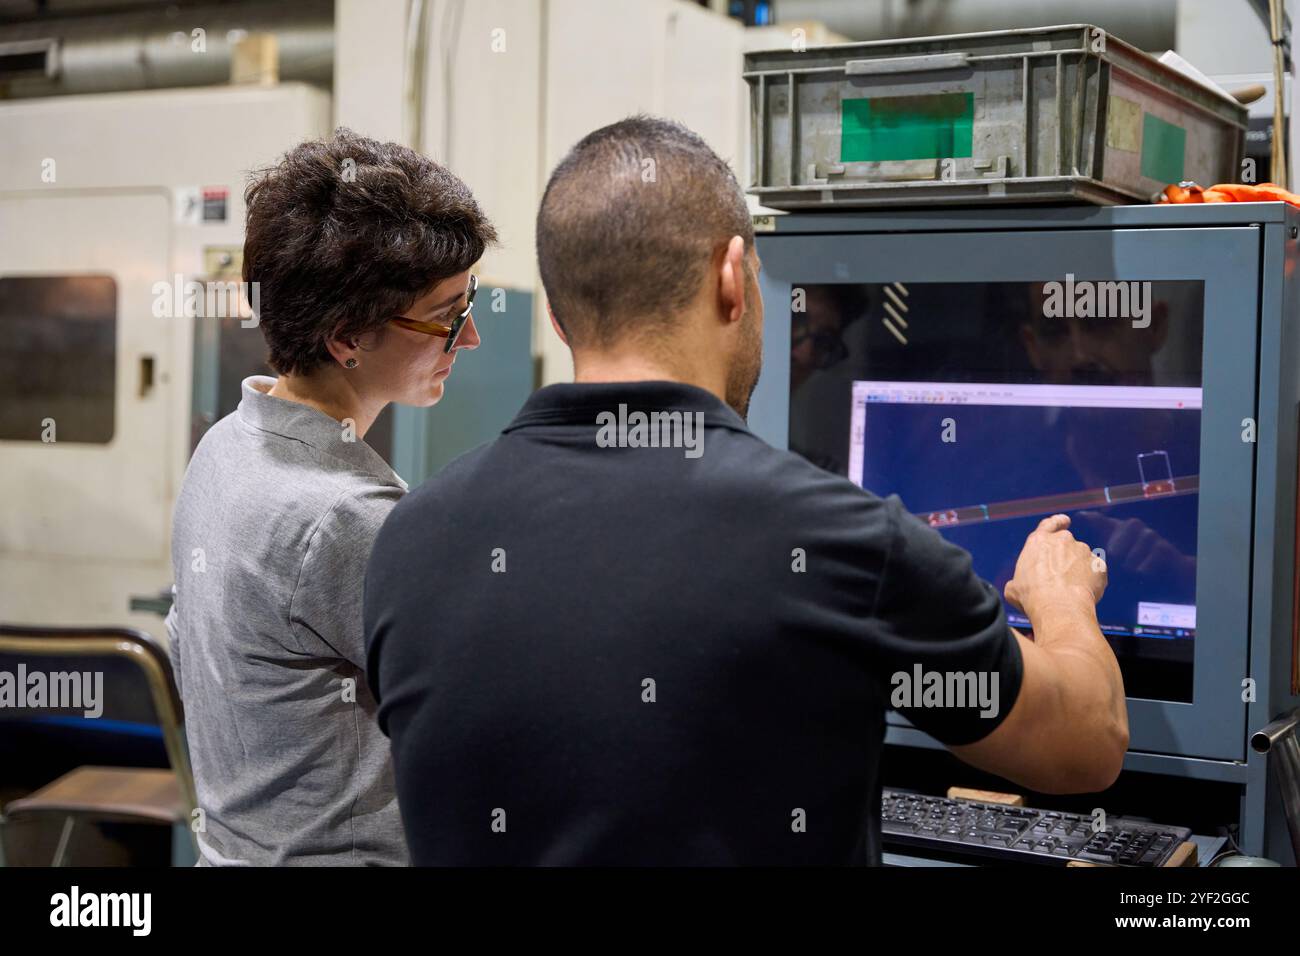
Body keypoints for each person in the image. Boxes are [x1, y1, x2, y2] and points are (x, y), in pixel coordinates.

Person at [364, 116, 1127, 865]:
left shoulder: (408, 538)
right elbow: (1084, 747)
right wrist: (1062, 600)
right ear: (734, 279)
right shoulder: (847, 546)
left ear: (559, 318)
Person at [167, 128, 496, 865]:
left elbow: (185, 647)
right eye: (446, 316)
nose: (469, 337)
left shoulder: (223, 448)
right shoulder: (344, 515)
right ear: (348, 337)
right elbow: (475, 727)